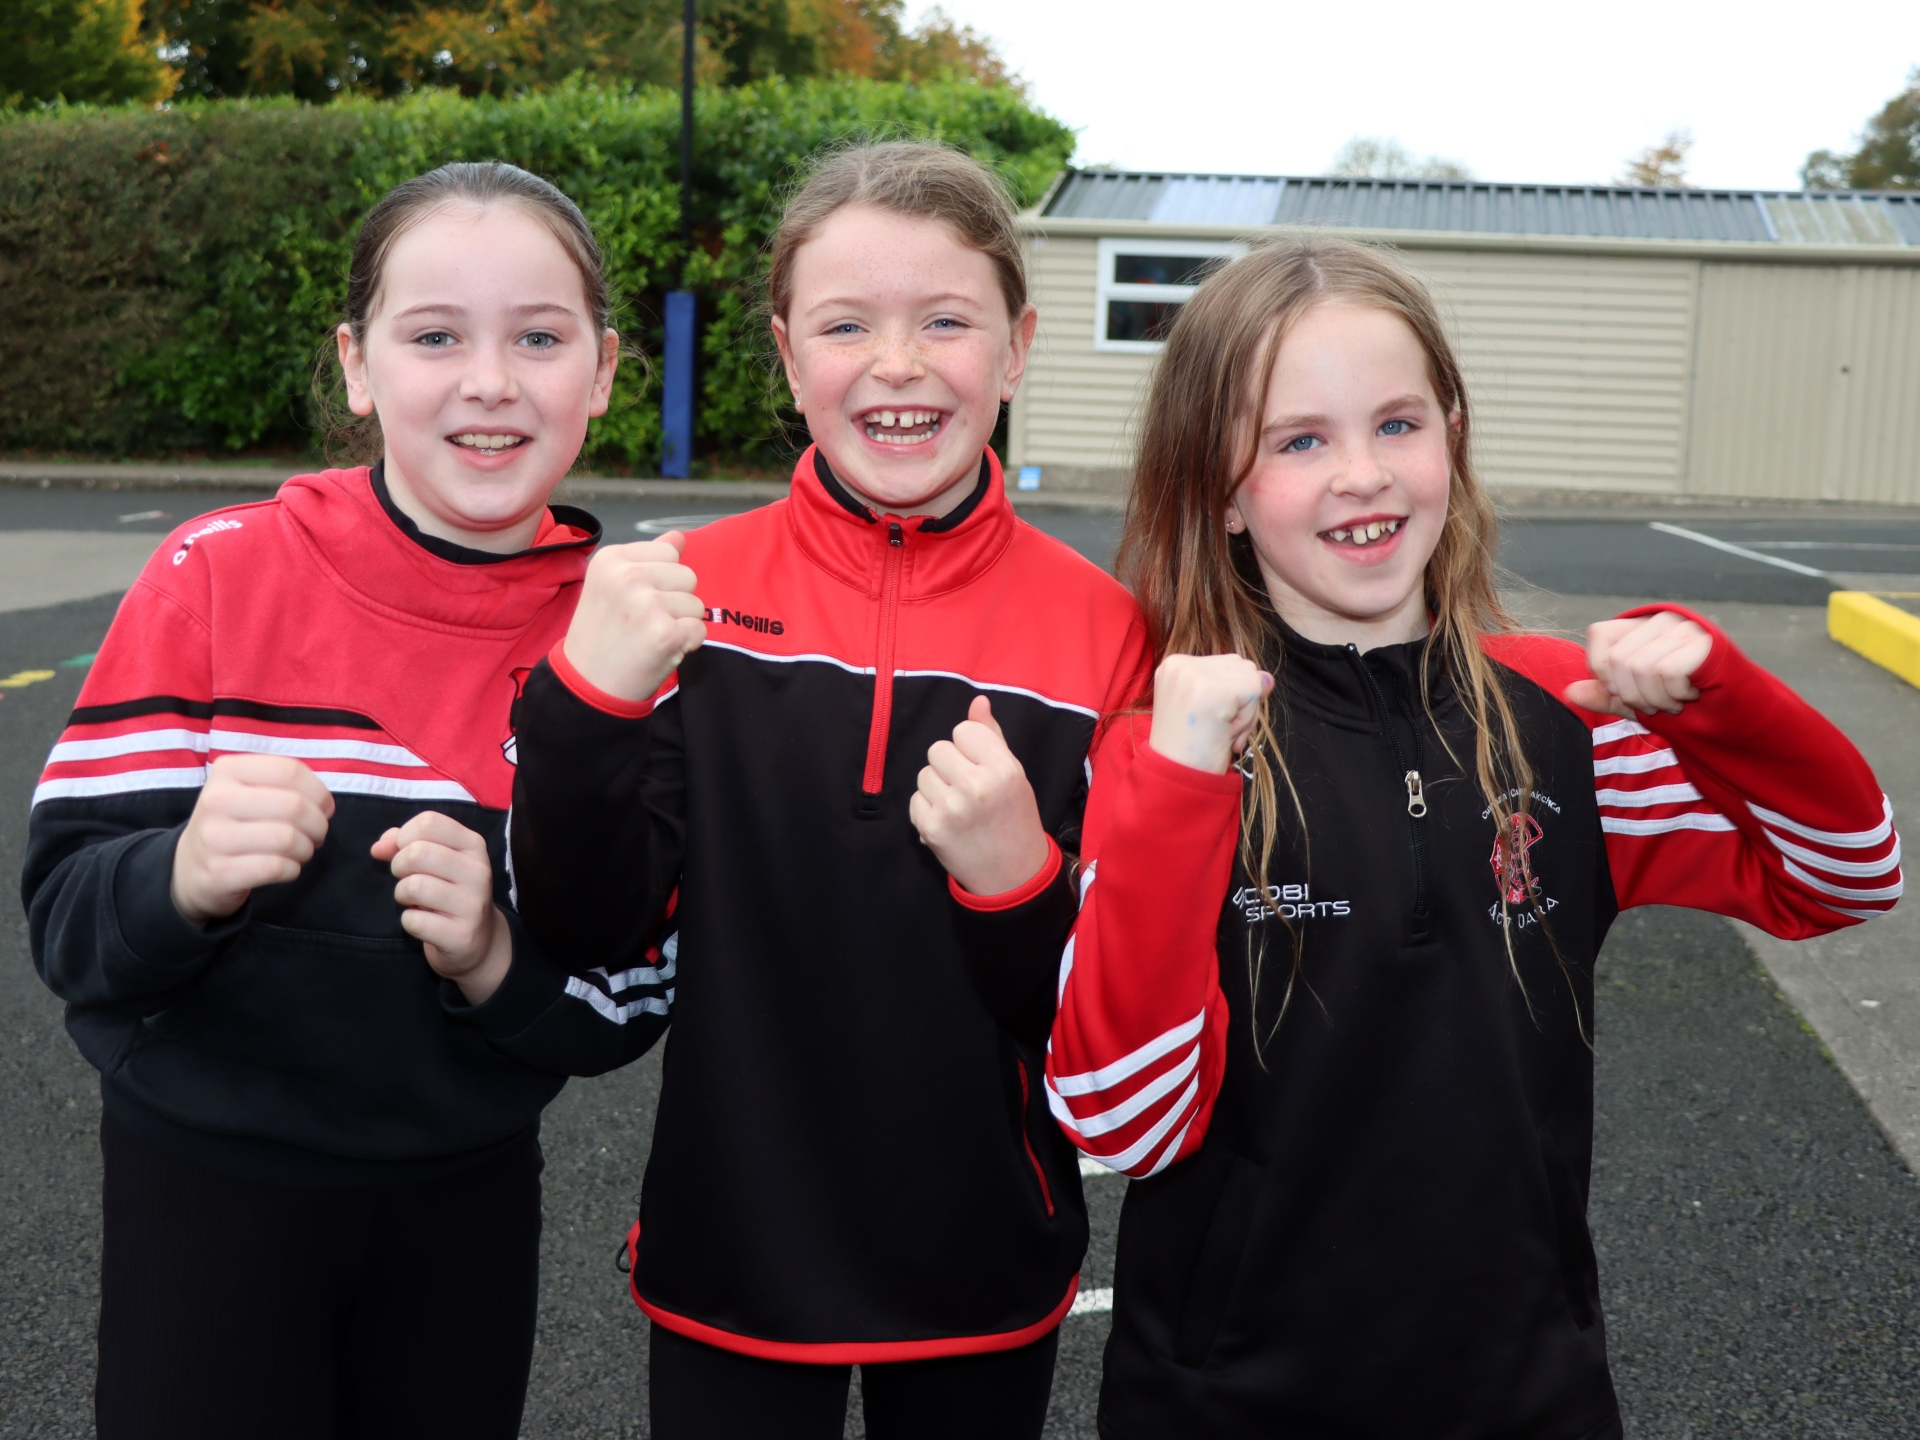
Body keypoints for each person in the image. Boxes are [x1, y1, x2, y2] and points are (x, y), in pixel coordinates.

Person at [1043, 236, 1904, 1439]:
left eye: (1398, 423)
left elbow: (1849, 876)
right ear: (1221, 492)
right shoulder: (1164, 753)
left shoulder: (1570, 721)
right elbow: (1121, 1115)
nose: (1363, 475)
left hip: (1526, 1389)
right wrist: (1184, 788)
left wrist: (1725, 697)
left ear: (1453, 431)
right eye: (1299, 440)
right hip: (1222, 1401)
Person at [504, 141, 1150, 1440]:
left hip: (982, 1255)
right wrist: (582, 703)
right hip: (733, 1244)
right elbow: (591, 928)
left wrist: (1018, 879)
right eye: (848, 324)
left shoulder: (1108, 633)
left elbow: (1098, 1023)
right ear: (792, 359)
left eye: (947, 321)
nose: (899, 364)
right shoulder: (679, 597)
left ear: (1016, 350)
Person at [22, 162, 666, 1440]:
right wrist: (180, 878)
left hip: (466, 1200)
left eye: (538, 338)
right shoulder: (215, 574)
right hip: (200, 1182)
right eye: (434, 337)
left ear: (599, 370)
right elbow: (64, 918)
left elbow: (636, 991)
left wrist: (494, 958)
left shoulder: (629, 636)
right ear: (359, 366)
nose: (488, 381)